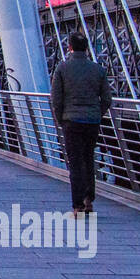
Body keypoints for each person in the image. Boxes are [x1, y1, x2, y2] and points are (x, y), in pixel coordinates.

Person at [50, 33, 113, 214]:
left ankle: (77, 204)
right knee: (88, 159)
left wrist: (61, 117)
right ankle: (89, 200)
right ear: (86, 48)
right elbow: (107, 99)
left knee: (75, 162)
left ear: (69, 47)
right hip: (92, 121)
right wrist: (97, 113)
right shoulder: (98, 70)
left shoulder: (62, 69)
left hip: (71, 121)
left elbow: (56, 99)